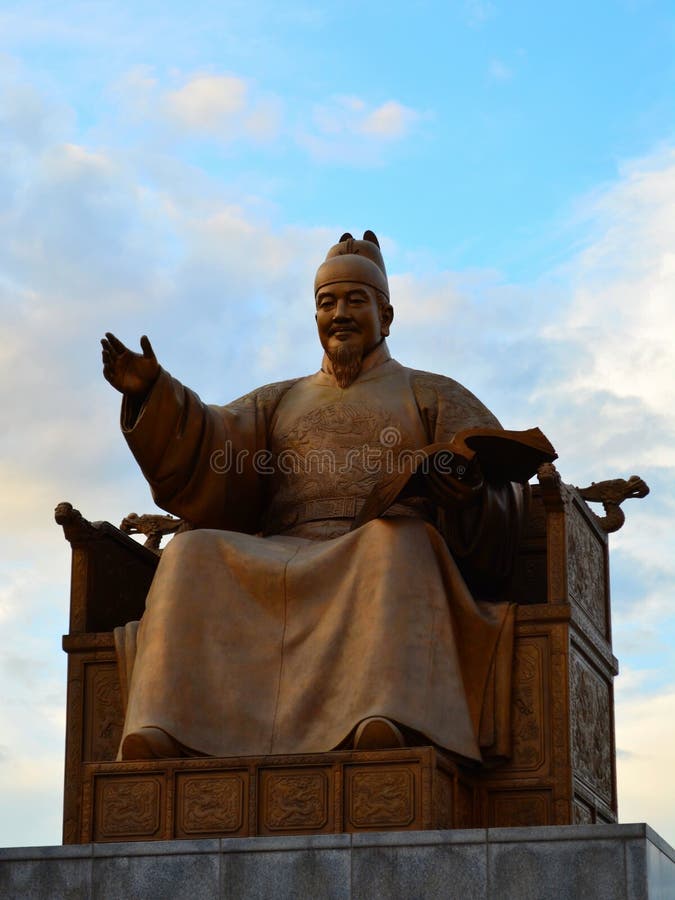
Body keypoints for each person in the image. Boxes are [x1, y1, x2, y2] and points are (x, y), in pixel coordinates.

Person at [101, 231, 524, 762]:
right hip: (283, 546)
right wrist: (153, 394)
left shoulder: (433, 393)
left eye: (355, 301)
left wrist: (467, 493)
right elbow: (213, 437)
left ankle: (387, 715)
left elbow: (497, 475)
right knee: (190, 552)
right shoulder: (279, 399)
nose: (339, 313)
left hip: (381, 549)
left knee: (394, 542)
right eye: (327, 303)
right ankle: (166, 724)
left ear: (385, 316)